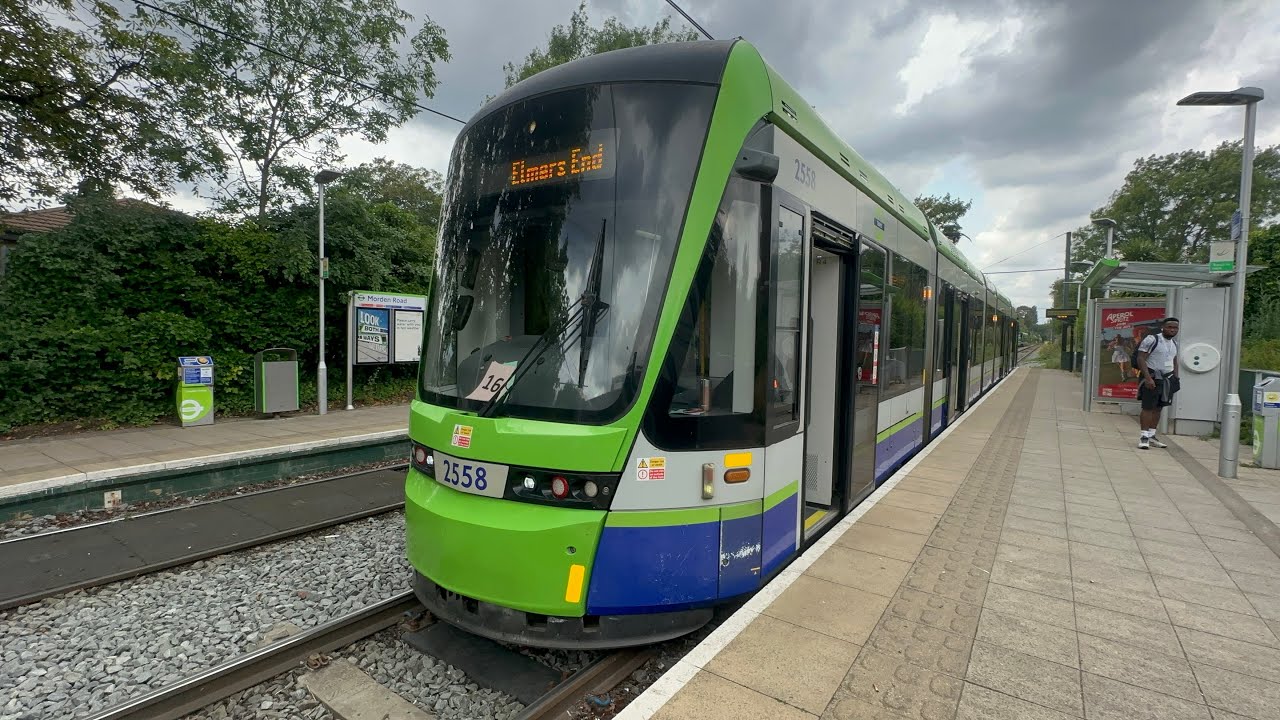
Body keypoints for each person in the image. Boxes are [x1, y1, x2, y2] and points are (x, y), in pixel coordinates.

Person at [1135, 317, 1180, 449]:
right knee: (1148, 407)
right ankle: (1143, 436)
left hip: (1167, 379)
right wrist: (1148, 378)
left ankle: (1151, 435)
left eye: (1175, 328)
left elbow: (1174, 360)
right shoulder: (1152, 339)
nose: (1172, 330)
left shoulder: (1175, 344)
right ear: (1163, 327)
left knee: (1159, 407)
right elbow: (1141, 358)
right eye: (1169, 327)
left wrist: (1176, 377)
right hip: (1152, 377)